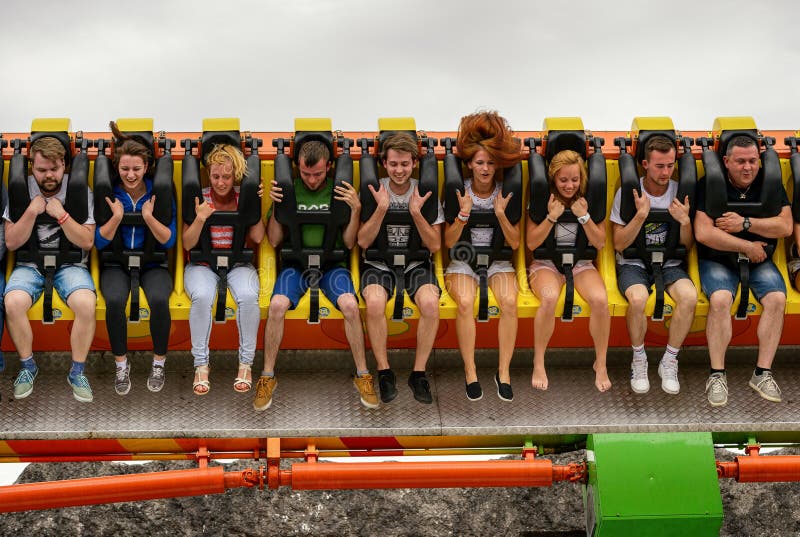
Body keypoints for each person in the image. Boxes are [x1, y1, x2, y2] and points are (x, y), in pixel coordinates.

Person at [254, 140, 376, 410]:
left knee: (350, 306)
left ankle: (363, 374)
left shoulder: (339, 191)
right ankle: (267, 376)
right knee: (276, 306)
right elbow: (273, 240)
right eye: (306, 174)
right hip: (295, 266)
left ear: (329, 167)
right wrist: (276, 209)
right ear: (298, 168)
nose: (311, 180)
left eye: (318, 174)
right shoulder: (288, 191)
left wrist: (355, 210)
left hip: (331, 266)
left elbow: (347, 243)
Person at [694, 135, 792, 406]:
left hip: (760, 259)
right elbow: (703, 232)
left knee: (777, 299)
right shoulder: (709, 184)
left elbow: (784, 226)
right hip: (719, 260)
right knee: (721, 299)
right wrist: (745, 246)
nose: (747, 168)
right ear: (726, 162)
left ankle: (762, 373)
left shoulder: (769, 183)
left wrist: (745, 224)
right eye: (740, 162)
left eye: (752, 161)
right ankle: (717, 374)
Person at [4, 136, 96, 402]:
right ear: (32, 166)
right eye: (41, 170)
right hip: (30, 263)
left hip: (70, 264)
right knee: (13, 302)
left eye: (54, 169)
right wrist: (32, 212)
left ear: (64, 165)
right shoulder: (22, 190)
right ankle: (28, 367)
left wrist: (62, 215)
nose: (48, 176)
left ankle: (77, 371)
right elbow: (11, 242)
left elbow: (87, 241)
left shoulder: (80, 191)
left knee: (86, 304)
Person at [358, 131, 444, 404]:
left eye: (404, 164)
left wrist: (416, 212)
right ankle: (384, 371)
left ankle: (418, 373)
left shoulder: (425, 191)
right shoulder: (375, 190)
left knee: (430, 304)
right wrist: (381, 208)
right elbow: (362, 240)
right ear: (384, 162)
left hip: (416, 264)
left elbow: (435, 245)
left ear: (414, 163)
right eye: (393, 164)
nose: (399, 170)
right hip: (378, 263)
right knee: (373, 303)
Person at [610, 135, 696, 395]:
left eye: (670, 165)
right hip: (634, 263)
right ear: (645, 164)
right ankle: (639, 359)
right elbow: (619, 244)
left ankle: (669, 360)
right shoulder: (628, 192)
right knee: (637, 299)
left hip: (669, 262)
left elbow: (688, 246)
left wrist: (684, 221)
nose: (666, 172)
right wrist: (640, 216)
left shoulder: (679, 191)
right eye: (659, 166)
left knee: (689, 297)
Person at [96, 121, 177, 395]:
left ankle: (158, 362)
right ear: (117, 167)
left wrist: (148, 218)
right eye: (125, 169)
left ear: (147, 167)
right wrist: (117, 217)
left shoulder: (159, 192)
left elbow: (170, 239)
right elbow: (98, 240)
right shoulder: (112, 192)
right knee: (115, 300)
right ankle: (121, 365)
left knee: (158, 299)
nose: (131, 175)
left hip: (152, 262)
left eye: (137, 169)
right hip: (116, 263)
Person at [444, 111, 519, 402]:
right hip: (463, 261)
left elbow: (514, 243)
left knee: (510, 303)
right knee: (465, 303)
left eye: (490, 163)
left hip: (498, 261)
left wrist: (499, 213)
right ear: (470, 165)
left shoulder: (504, 193)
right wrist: (463, 213)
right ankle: (471, 372)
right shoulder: (460, 192)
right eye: (479, 163)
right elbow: (447, 242)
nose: (485, 169)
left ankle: (504, 372)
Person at [183, 143, 265, 395]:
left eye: (227, 177)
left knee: (250, 296)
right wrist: (199, 218)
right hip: (203, 264)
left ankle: (245, 364)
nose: (220, 182)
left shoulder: (243, 196)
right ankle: (201, 365)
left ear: (236, 175)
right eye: (216, 176)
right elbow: (187, 243)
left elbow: (259, 238)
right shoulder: (202, 197)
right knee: (202, 296)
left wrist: (255, 207)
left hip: (238, 263)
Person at [526, 149, 611, 392]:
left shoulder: (588, 199)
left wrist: (583, 217)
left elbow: (600, 242)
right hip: (546, 263)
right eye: (563, 180)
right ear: (553, 178)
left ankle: (601, 363)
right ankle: (539, 361)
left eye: (574, 180)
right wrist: (551, 217)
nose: (569, 185)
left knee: (600, 300)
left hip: (580, 263)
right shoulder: (543, 198)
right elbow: (531, 243)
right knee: (549, 298)